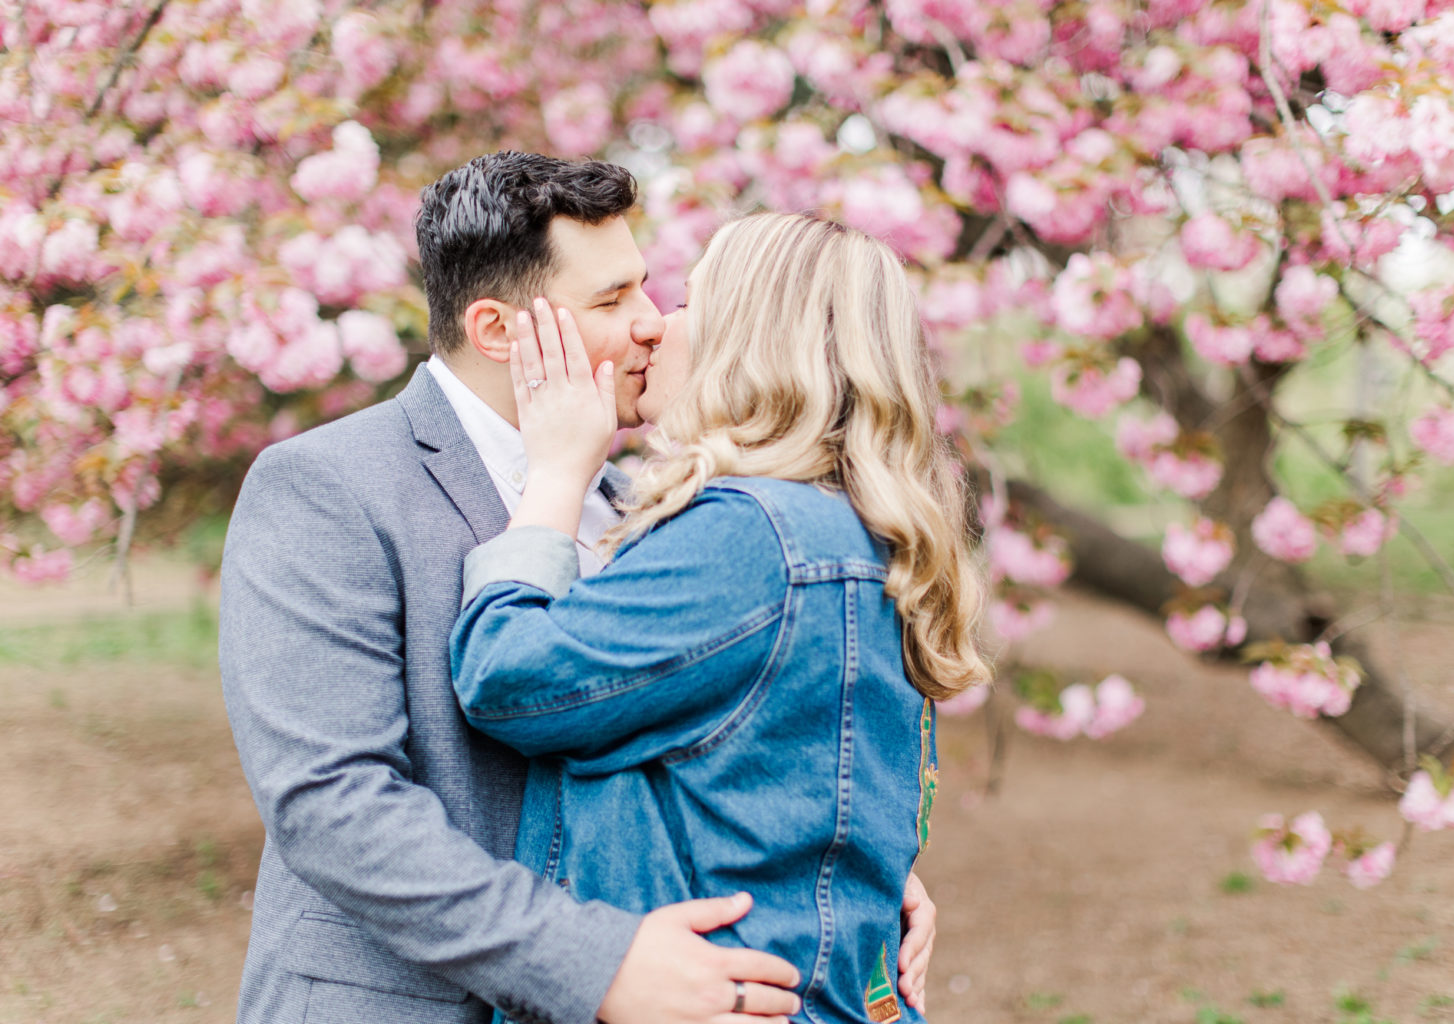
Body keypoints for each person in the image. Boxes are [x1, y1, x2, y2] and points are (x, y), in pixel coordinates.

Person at [220, 153, 935, 1024]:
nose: (649, 325)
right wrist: (596, 965)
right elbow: (329, 805)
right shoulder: (329, 486)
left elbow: (709, 730)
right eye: (610, 302)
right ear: (497, 329)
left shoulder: (656, 502)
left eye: (647, 288)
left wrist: (842, 859)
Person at [450, 212, 991, 1024]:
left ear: (748, 336)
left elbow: (507, 675)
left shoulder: (752, 534)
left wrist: (558, 473)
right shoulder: (858, 528)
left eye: (686, 304)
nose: (653, 326)